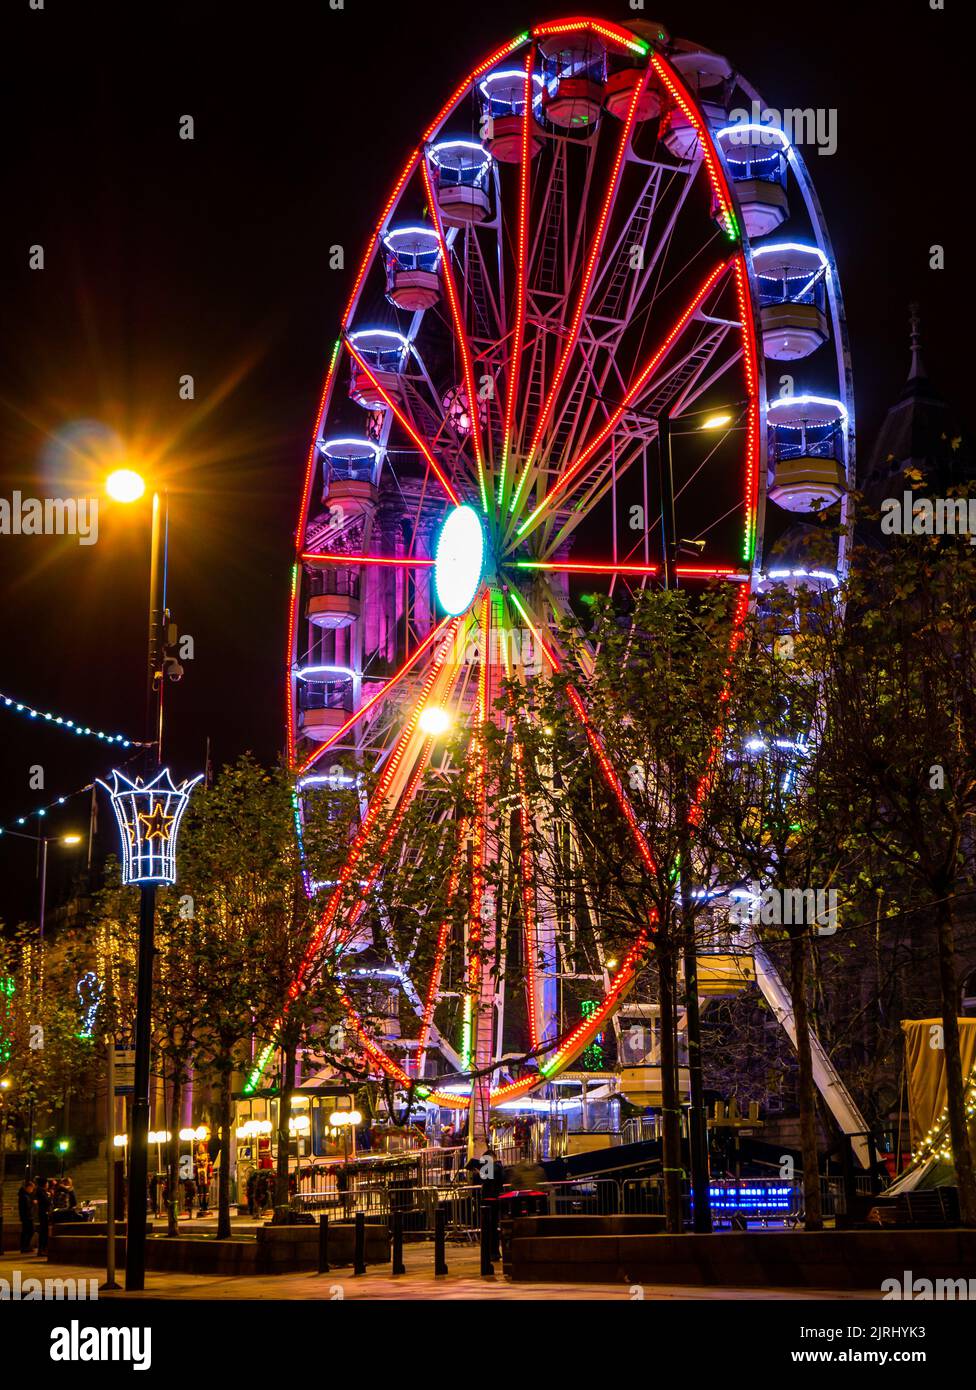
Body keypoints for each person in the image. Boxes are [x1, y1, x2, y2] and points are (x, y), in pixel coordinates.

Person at [17, 1179, 35, 1254]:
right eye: (32, 1188)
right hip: (27, 1217)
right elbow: (26, 1207)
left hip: (26, 1216)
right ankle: (25, 1246)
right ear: (28, 1187)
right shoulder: (24, 1196)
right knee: (29, 1231)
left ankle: (25, 1246)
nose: (32, 1190)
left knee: (27, 1231)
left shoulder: (24, 1195)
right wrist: (33, 1203)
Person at [35, 1177, 51, 1256]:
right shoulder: (41, 1191)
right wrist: (49, 1196)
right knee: (44, 1232)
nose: (48, 1184)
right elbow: (47, 1202)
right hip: (43, 1213)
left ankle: (42, 1249)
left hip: (43, 1212)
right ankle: (42, 1249)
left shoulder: (41, 1191)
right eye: (47, 1183)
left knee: (44, 1231)